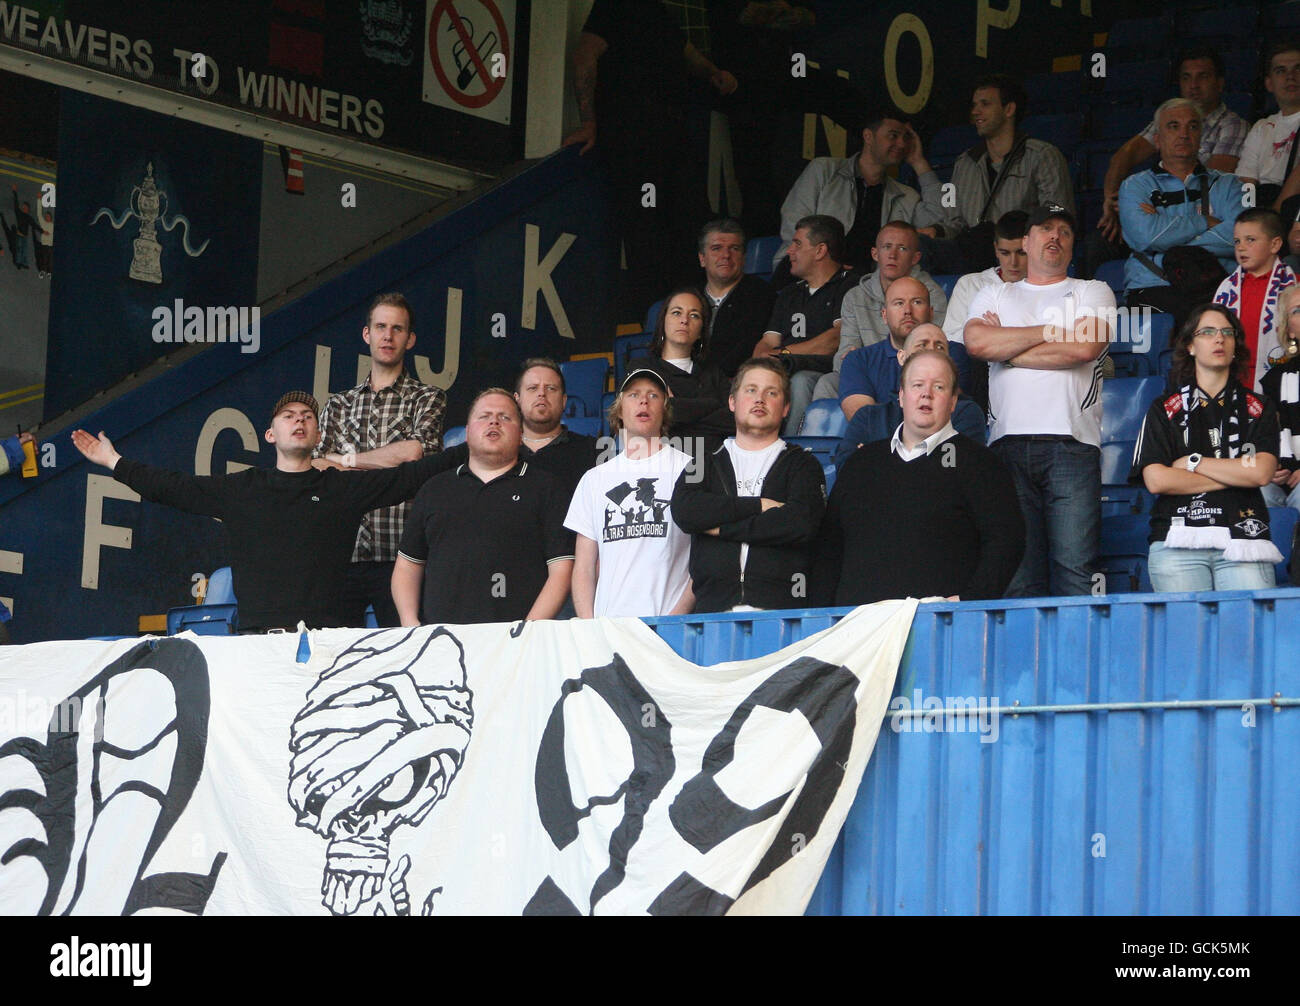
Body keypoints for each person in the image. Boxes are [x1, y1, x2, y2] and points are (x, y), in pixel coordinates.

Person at [71, 392, 447, 632]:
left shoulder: (340, 488)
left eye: (307, 416)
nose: (299, 420)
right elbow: (172, 487)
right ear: (270, 435)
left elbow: (411, 477)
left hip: (328, 645)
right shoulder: (242, 489)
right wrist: (114, 461)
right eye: (288, 415)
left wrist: (475, 451)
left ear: (319, 436)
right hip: (256, 647)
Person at [964, 205, 1113, 597]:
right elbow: (977, 343)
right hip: (1006, 445)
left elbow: (1083, 348)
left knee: (1075, 570)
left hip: (1072, 445)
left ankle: (1076, 661)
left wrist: (1008, 350)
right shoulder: (993, 292)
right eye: (1045, 228)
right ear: (1026, 241)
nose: (1055, 237)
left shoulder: (1092, 290)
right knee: (1018, 574)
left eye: (1064, 231)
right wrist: (1051, 330)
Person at [811, 350, 1024, 605]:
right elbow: (829, 548)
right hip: (857, 632)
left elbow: (1007, 541)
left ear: (954, 401)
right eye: (917, 385)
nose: (927, 394)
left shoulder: (983, 464)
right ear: (901, 396)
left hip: (942, 630)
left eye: (939, 386)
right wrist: (822, 616)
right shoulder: (861, 462)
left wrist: (970, 601)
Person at [564, 0, 737, 313]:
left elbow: (684, 50)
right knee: (646, 230)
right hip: (635, 140)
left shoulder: (657, 12)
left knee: (691, 225)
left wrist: (713, 73)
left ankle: (692, 311)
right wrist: (588, 121)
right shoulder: (615, 7)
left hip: (674, 139)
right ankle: (655, 320)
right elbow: (584, 55)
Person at [313, 293, 446, 627]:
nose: (388, 336)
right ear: (366, 334)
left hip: (403, 553)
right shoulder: (338, 404)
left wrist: (345, 460)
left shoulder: (427, 398)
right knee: (338, 662)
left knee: (404, 655)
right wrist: (385, 459)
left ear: (410, 339)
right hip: (343, 553)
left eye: (397, 329)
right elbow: (317, 468)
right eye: (381, 327)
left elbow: (416, 454)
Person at [391, 389, 574, 625]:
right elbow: (407, 565)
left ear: (520, 435)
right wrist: (410, 623)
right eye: (484, 416)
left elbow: (562, 570)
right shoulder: (434, 489)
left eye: (505, 417)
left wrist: (528, 632)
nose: (494, 421)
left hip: (517, 644)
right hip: (440, 643)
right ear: (467, 432)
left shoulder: (547, 488)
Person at [1131, 305, 1282, 590]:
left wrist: (1193, 461)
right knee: (1186, 636)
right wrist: (1236, 474)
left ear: (1236, 344)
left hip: (1243, 539)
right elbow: (1157, 480)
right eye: (1208, 332)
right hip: (1176, 542)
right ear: (1190, 345)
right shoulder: (1163, 409)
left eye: (1227, 332)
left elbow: (1260, 474)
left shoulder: (1259, 407)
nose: (1219, 339)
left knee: (1246, 635)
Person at [671, 358, 825, 612]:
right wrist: (759, 506)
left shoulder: (803, 464)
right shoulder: (704, 463)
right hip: (712, 611)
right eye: (751, 390)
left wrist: (720, 528)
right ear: (732, 402)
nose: (760, 399)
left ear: (786, 407)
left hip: (781, 612)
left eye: (771, 392)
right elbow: (686, 511)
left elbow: (799, 524)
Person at [1091, 47, 1249, 275]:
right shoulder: (1168, 118)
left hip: (1191, 221)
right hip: (1179, 215)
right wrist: (1113, 200)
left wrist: (1160, 223)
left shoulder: (1232, 125)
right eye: (1187, 77)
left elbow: (1205, 192)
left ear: (1220, 83)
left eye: (1202, 76)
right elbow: (1124, 155)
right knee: (1099, 242)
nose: (1194, 85)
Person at [565, 369, 695, 617]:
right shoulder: (594, 479)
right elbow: (584, 567)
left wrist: (675, 620)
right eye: (634, 394)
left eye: (653, 395)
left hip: (668, 626)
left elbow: (701, 562)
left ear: (664, 409)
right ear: (619, 410)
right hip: (608, 630)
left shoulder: (689, 470)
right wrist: (589, 625)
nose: (643, 401)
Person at [921, 75, 1074, 275]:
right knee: (914, 245)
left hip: (1018, 253)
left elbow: (1058, 216)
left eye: (985, 104)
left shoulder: (1043, 156)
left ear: (1009, 109)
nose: (976, 111)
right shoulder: (964, 163)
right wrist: (937, 231)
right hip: (971, 255)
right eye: (975, 105)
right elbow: (954, 223)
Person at [771, 109, 945, 277]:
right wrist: (828, 267)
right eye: (893, 136)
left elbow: (942, 218)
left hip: (866, 284)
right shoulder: (824, 170)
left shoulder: (906, 195)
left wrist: (919, 162)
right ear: (868, 136)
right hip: (809, 269)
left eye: (906, 137)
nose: (901, 144)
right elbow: (793, 223)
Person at [1119, 98, 1243, 319]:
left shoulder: (1229, 184)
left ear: (1200, 137)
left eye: (1193, 126)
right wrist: (1204, 222)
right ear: (1157, 139)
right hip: (1154, 285)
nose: (1184, 134)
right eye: (1174, 126)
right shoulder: (1135, 185)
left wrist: (1168, 241)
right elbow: (1145, 236)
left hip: (1217, 284)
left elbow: (1240, 238)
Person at [816, 220, 948, 403]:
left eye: (902, 248)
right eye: (887, 247)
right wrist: (851, 361)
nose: (892, 255)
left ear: (916, 257)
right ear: (875, 254)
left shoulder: (932, 295)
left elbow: (934, 350)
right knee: (827, 382)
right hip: (866, 373)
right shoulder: (855, 296)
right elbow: (843, 356)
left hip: (917, 374)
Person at [753, 215, 856, 434]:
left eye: (797, 244)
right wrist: (763, 360)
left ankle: (792, 448)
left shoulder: (850, 285)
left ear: (820, 251)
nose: (789, 251)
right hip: (784, 367)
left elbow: (835, 339)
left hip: (822, 370)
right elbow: (767, 341)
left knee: (800, 381)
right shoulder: (790, 293)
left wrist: (784, 353)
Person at [833, 322, 986, 468]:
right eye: (922, 345)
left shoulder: (965, 412)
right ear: (901, 357)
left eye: (939, 346)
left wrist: (875, 457)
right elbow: (847, 469)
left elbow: (957, 469)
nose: (931, 351)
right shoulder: (868, 417)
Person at [839, 281, 965, 420]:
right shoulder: (859, 359)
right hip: (881, 442)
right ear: (884, 315)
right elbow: (864, 421)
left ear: (930, 313)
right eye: (899, 303)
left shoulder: (953, 353)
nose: (908, 311)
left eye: (917, 302)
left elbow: (954, 414)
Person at [631, 287, 733, 443]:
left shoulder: (713, 373)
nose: (684, 320)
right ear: (663, 321)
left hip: (711, 461)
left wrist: (673, 407)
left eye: (694, 315)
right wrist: (712, 405)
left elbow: (733, 420)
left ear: (701, 330)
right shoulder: (642, 368)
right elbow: (642, 421)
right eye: (676, 312)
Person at [1212, 208, 1297, 391]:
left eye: (1250, 240)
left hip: (1282, 381)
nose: (1241, 247)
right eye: (1237, 241)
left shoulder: (1295, 286)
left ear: (1275, 245)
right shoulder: (1227, 289)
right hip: (1235, 379)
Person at [696, 219, 776, 378]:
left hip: (738, 383)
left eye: (734, 248)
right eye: (716, 248)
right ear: (702, 258)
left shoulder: (762, 295)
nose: (726, 255)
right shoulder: (688, 297)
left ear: (744, 257)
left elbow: (749, 350)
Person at [1238, 38, 1300, 209]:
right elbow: (1246, 181)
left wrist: (1273, 220)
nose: (1290, 77)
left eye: (1298, 68)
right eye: (1281, 71)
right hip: (1263, 210)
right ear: (1269, 83)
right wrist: (1247, 215)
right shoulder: (1261, 127)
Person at [1261, 283, 1300, 511]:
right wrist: (1270, 464)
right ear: (1289, 330)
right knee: (1259, 492)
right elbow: (1263, 438)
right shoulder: (1274, 380)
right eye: (1298, 310)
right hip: (1286, 482)